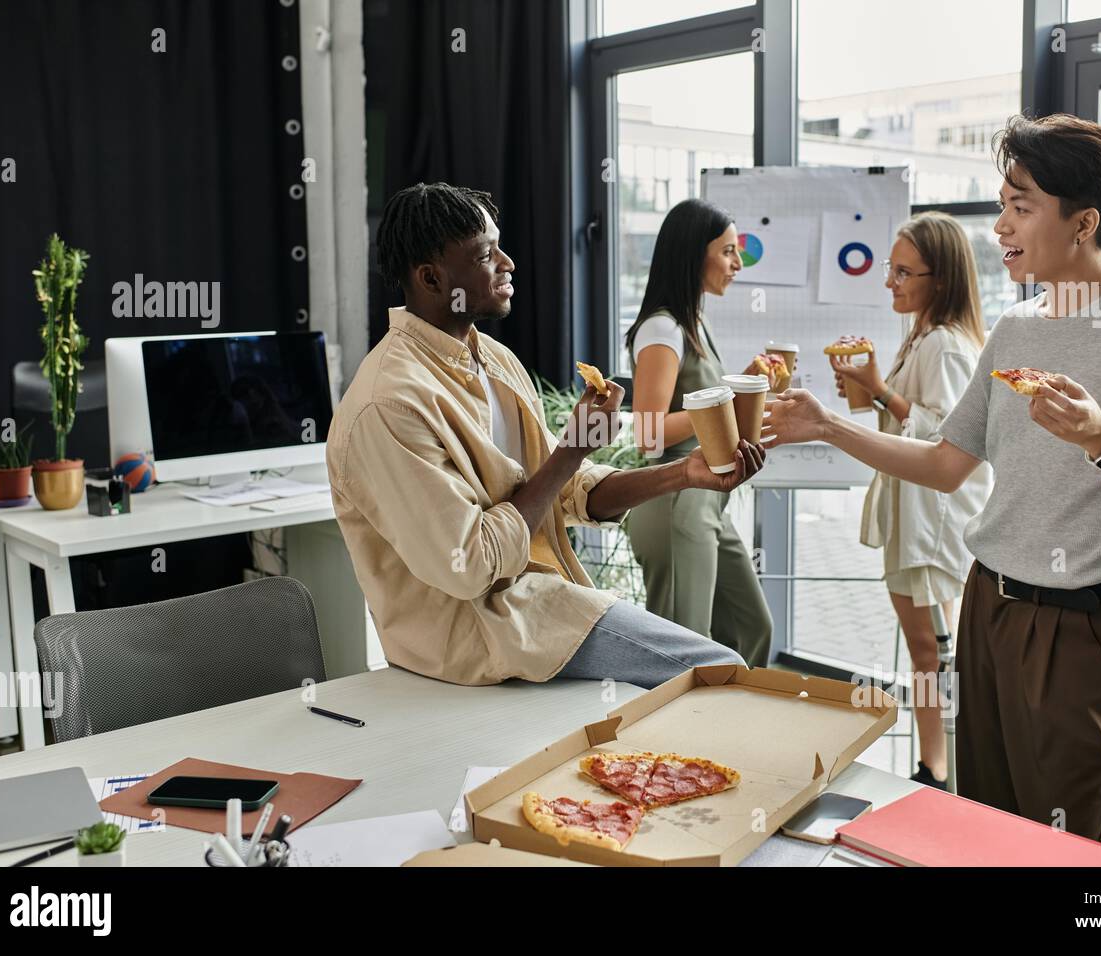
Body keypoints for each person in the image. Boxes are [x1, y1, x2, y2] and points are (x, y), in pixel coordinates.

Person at [764, 114, 1101, 851]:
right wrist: (827, 425)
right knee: (984, 827)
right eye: (1002, 204)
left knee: (1072, 846)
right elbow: (947, 465)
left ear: (1083, 223)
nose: (1001, 226)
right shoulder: (1015, 330)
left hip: (1088, 627)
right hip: (988, 606)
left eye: (1021, 206)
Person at [327, 182, 767, 691]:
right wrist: (570, 450)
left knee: (725, 663)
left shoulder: (494, 360)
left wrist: (683, 473)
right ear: (432, 277)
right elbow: (469, 566)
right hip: (474, 638)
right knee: (721, 675)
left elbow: (564, 492)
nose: (509, 263)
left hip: (544, 603)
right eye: (487, 254)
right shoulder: (389, 404)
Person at [831, 211, 990, 790]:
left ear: (940, 279)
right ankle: (939, 762)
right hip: (915, 515)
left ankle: (938, 768)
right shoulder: (923, 334)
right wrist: (874, 390)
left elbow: (948, 439)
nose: (891, 282)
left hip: (932, 519)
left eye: (904, 272)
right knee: (929, 647)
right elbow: (910, 420)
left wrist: (880, 391)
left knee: (929, 649)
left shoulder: (945, 345)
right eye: (890, 271)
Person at [623, 198, 774, 668]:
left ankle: (726, 736)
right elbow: (648, 436)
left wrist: (737, 391)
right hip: (675, 502)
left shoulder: (693, 324)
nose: (736, 264)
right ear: (694, 253)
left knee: (751, 627)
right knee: (686, 652)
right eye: (728, 251)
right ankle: (679, 742)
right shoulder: (663, 329)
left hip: (706, 503)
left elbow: (701, 401)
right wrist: (722, 402)